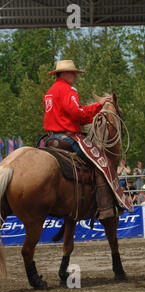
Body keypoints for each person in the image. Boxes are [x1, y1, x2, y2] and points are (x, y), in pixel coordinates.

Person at [43, 60, 121, 219]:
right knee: (101, 161)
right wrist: (98, 106)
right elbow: (77, 113)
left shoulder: (50, 91)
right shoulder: (68, 90)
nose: (75, 76)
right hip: (68, 137)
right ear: (64, 73)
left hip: (50, 138)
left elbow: (70, 116)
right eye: (73, 73)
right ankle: (105, 207)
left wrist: (91, 115)